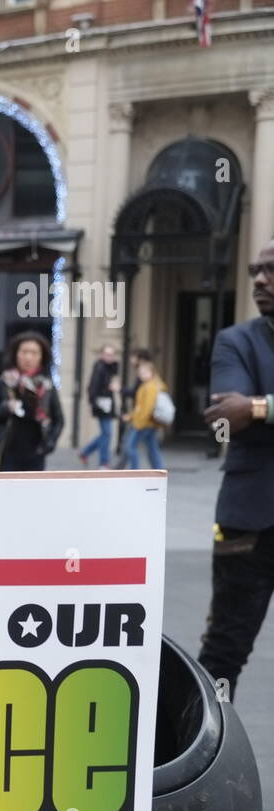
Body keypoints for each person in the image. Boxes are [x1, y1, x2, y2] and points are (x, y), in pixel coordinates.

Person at [197, 238, 274, 696]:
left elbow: (247, 412)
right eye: (255, 270)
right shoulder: (234, 341)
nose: (260, 280)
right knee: (224, 652)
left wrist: (260, 407)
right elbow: (226, 419)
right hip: (247, 523)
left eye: (271, 270)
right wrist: (244, 412)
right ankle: (206, 755)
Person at [0, 332, 63, 471]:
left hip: (36, 454)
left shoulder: (46, 386)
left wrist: (49, 443)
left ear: (42, 357)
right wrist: (5, 408)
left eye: (34, 353)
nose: (28, 357)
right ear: (16, 354)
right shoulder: (2, 382)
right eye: (24, 352)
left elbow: (58, 420)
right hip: (5, 452)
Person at [79, 344, 120, 468]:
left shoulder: (108, 368)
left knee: (105, 434)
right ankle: (103, 461)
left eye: (111, 355)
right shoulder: (100, 368)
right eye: (107, 354)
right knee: (107, 433)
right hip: (102, 405)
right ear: (102, 355)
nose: (109, 357)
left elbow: (114, 373)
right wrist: (95, 403)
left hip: (107, 404)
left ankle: (85, 452)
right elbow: (92, 387)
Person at [124, 356, 167, 470]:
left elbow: (146, 408)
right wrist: (131, 416)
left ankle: (135, 472)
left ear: (151, 372)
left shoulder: (150, 387)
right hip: (148, 422)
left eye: (144, 372)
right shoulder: (148, 385)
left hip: (144, 423)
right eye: (140, 373)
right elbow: (141, 406)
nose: (141, 375)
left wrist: (137, 423)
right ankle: (158, 471)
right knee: (152, 449)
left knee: (130, 447)